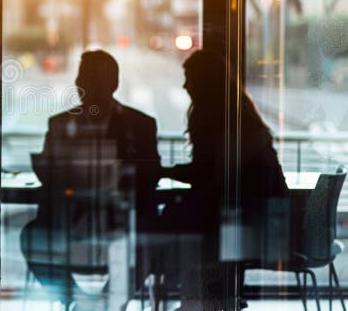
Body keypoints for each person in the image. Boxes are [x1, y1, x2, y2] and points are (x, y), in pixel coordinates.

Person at [21, 50, 162, 309]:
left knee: (147, 240)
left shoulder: (140, 126)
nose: (82, 86)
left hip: (118, 219)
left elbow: (149, 175)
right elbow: (152, 175)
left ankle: (97, 303)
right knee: (32, 236)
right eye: (82, 78)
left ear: (112, 84)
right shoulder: (137, 124)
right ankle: (81, 301)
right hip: (75, 219)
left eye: (89, 79)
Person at [163, 49, 288, 311]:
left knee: (176, 219)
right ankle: (215, 297)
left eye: (189, 78)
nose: (185, 86)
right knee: (192, 218)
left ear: (204, 82)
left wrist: (163, 172)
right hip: (268, 220)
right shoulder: (241, 113)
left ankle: (193, 296)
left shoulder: (212, 117)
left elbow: (204, 173)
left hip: (242, 222)